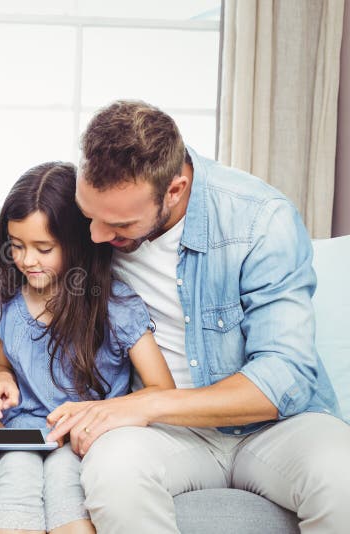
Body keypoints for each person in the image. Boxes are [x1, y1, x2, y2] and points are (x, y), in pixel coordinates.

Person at [46, 100, 350, 533]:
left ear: (174, 189)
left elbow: (285, 375)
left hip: (276, 429)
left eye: (121, 225)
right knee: (113, 470)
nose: (95, 235)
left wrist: (147, 402)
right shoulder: (95, 221)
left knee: (342, 475)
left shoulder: (261, 219)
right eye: (88, 214)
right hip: (169, 435)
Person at [0, 161, 175, 534]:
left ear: (78, 243)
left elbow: (162, 390)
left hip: (85, 439)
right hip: (22, 433)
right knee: (15, 491)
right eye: (16, 246)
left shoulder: (114, 305)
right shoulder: (5, 298)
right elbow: (2, 364)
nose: (27, 260)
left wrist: (98, 414)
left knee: (65, 487)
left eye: (43, 248)